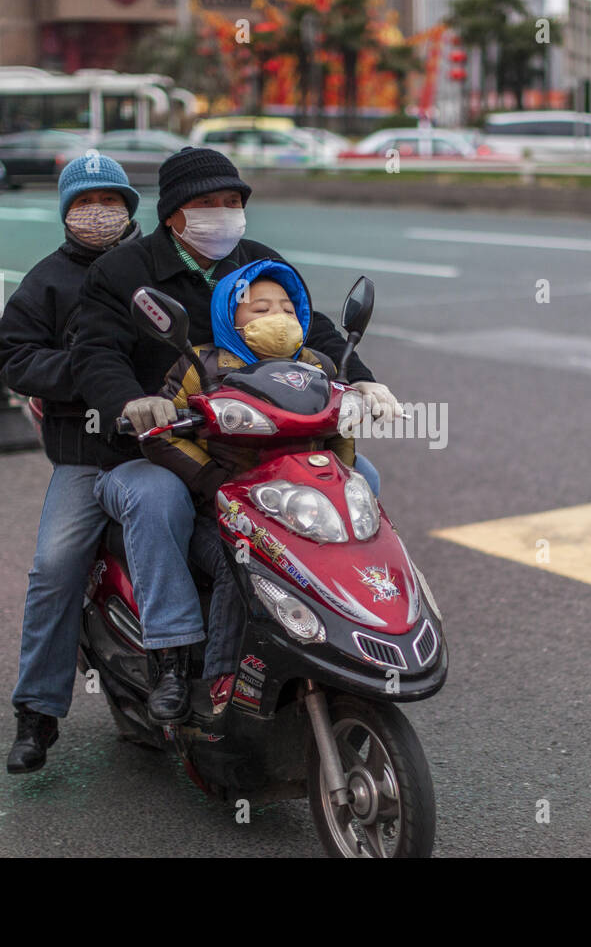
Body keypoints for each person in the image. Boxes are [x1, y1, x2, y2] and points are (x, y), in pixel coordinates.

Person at [70, 147, 400, 725]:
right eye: (205, 204)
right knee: (157, 497)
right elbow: (96, 353)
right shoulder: (123, 274)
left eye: (231, 202)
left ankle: (363, 618)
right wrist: (133, 402)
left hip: (260, 445)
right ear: (173, 213)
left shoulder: (256, 261)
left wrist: (364, 384)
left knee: (359, 477)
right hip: (158, 446)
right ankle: (169, 656)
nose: (222, 214)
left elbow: (310, 330)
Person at [139, 259, 357, 715]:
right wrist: (215, 482)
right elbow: (161, 435)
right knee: (238, 562)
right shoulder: (200, 365)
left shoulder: (317, 366)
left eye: (286, 308)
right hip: (220, 512)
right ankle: (218, 677)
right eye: (259, 309)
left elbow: (340, 432)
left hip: (304, 509)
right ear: (228, 316)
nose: (276, 319)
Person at [0, 153, 141, 774]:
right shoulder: (47, 281)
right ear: (66, 212)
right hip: (83, 458)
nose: (99, 212)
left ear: (131, 208)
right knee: (54, 567)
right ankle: (38, 714)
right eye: (85, 202)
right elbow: (13, 357)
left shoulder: (155, 269)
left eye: (111, 200)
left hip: (163, 450)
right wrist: (84, 374)